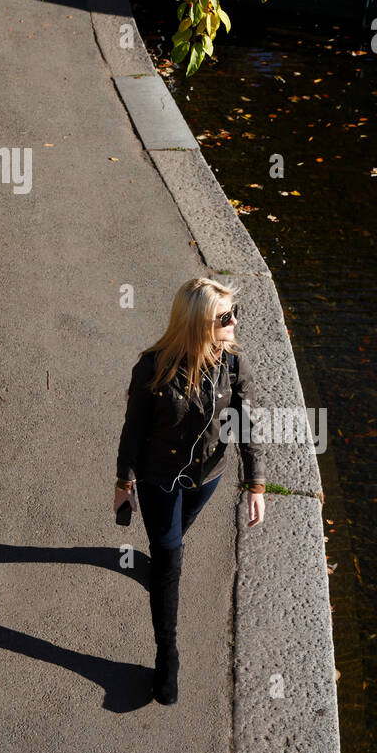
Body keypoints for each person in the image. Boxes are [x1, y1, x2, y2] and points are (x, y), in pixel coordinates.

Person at [113, 277, 266, 705]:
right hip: (159, 478)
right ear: (199, 323)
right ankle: (168, 656)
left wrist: (256, 483)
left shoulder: (234, 364)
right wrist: (124, 482)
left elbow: (247, 426)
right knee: (168, 562)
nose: (235, 322)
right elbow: (133, 431)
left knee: (179, 532)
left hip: (208, 477)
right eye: (225, 317)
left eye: (235, 313)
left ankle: (166, 552)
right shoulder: (153, 366)